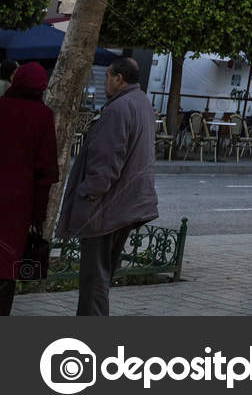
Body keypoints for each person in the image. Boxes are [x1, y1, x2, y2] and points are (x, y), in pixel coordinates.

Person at [57, 56, 158, 316]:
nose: (105, 82)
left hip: (106, 208)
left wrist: (86, 193)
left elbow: (105, 164)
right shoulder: (142, 102)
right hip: (126, 205)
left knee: (94, 279)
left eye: (107, 76)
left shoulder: (118, 108)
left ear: (118, 78)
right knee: (102, 275)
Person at [0, 62, 58, 316]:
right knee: (5, 265)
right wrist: (39, 215)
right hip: (18, 206)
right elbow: (46, 171)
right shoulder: (42, 116)